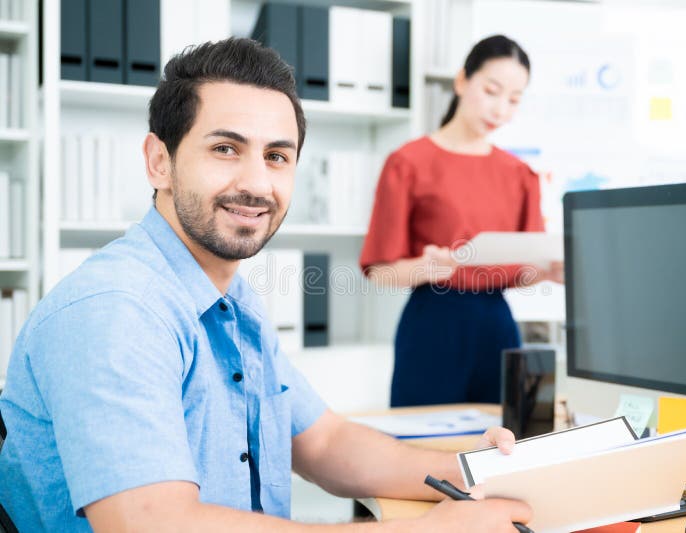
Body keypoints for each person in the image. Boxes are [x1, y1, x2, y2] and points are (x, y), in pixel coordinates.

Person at [0, 38, 532, 531]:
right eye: (226, 149)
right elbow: (154, 523)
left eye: (276, 156)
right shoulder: (117, 310)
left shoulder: (232, 300)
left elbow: (323, 441)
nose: (257, 184)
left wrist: (466, 473)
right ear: (159, 161)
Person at [360, 35, 561, 407]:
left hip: (497, 328)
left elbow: (521, 269)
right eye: (492, 91)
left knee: (501, 445)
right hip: (432, 325)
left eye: (514, 100)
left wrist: (549, 272)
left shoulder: (520, 175)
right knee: (421, 449)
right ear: (461, 81)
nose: (501, 109)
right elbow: (379, 270)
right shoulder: (408, 163)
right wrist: (425, 268)